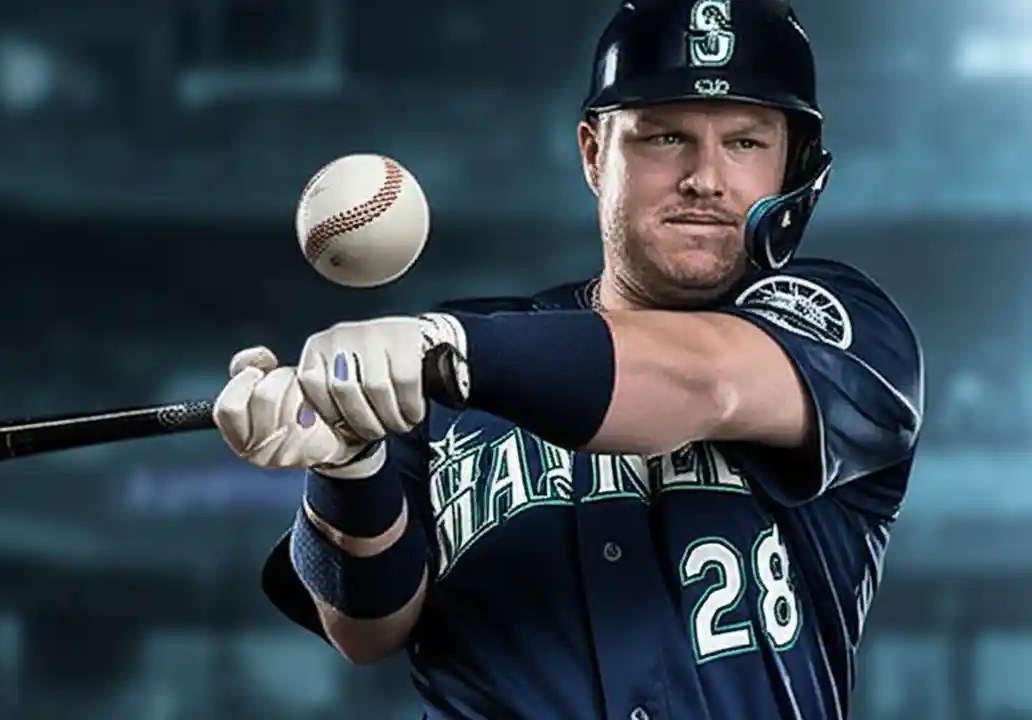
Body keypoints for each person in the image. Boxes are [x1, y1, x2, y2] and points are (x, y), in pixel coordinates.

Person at [213, 0, 925, 717]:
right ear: (594, 153)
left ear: (793, 169)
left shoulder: (844, 326)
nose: (706, 178)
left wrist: (446, 346)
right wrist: (347, 466)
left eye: (745, 142)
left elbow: (706, 378)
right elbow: (368, 629)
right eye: (666, 137)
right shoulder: (456, 364)